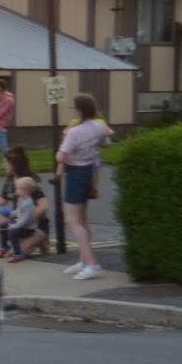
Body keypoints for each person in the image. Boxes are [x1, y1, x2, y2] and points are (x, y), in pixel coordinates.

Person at [54, 92, 108, 280]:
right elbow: (106, 142)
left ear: (79, 110)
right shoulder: (99, 126)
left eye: (73, 107)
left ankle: (92, 264)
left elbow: (61, 156)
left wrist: (64, 139)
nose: (72, 110)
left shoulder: (74, 132)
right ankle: (84, 260)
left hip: (75, 173)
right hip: (89, 171)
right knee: (82, 219)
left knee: (72, 220)